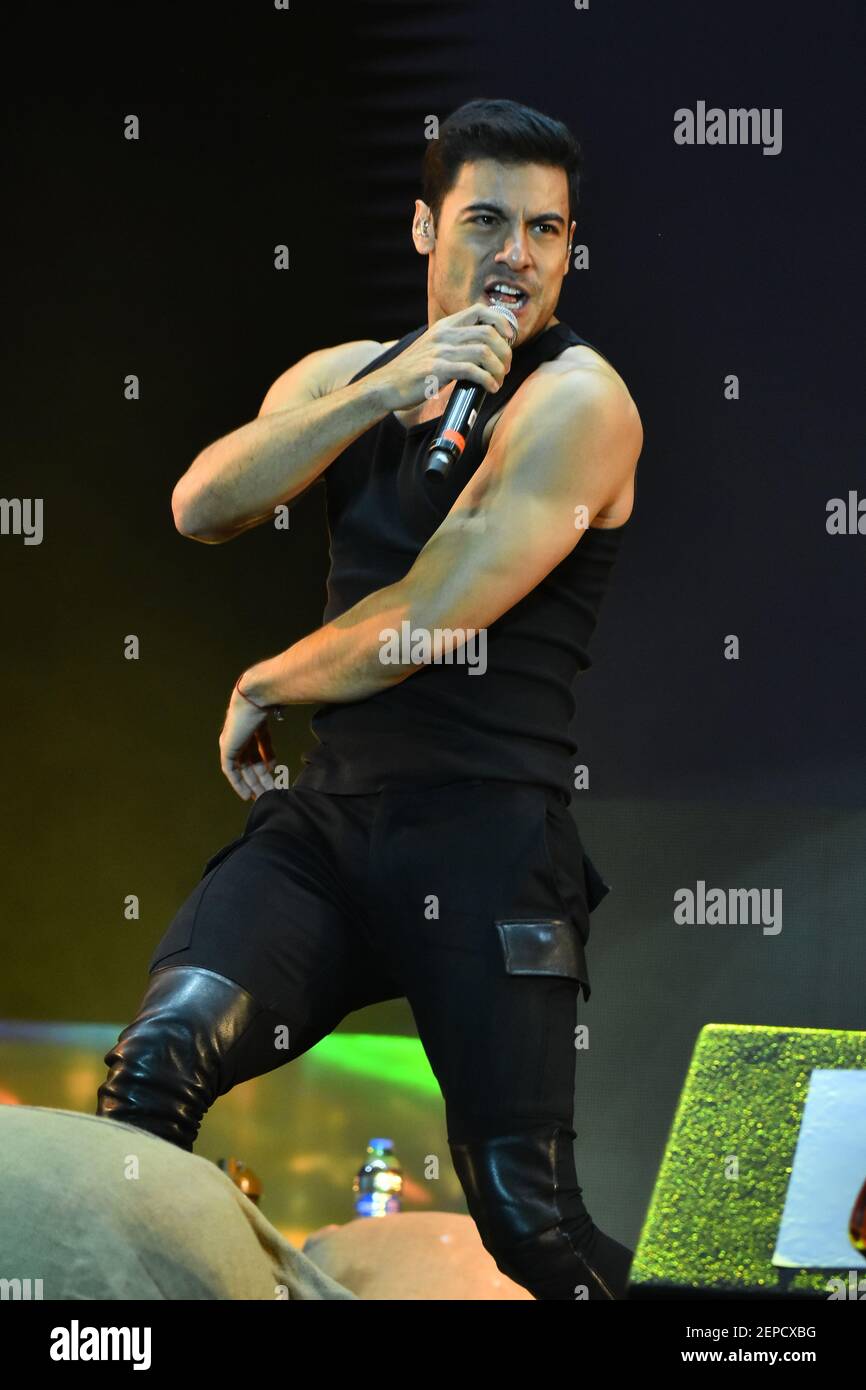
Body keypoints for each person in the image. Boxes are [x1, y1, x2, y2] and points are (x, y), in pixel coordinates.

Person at [97, 97, 643, 1301]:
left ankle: (751, 1342)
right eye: (488, 220)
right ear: (420, 227)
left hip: (492, 838)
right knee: (153, 1070)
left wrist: (262, 679)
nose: (519, 255)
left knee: (528, 1223)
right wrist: (377, 390)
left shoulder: (578, 400)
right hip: (333, 830)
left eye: (546, 231)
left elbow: (429, 618)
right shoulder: (351, 372)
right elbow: (203, 504)